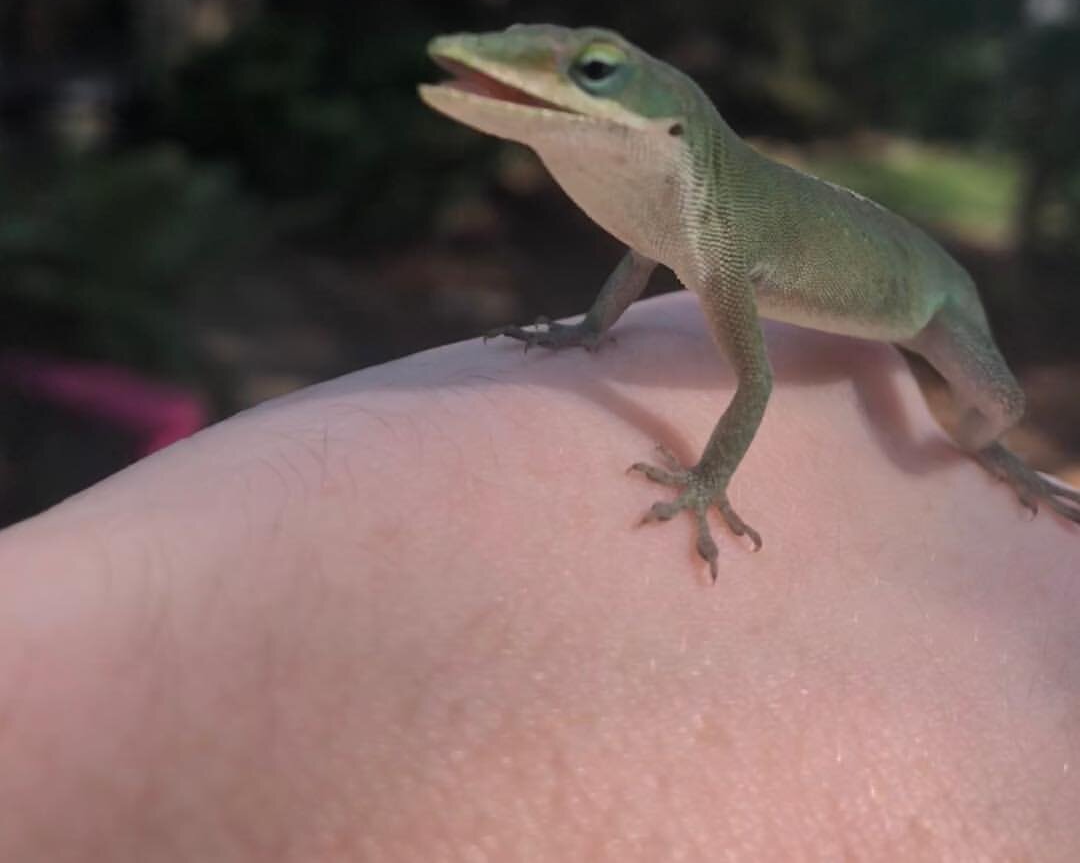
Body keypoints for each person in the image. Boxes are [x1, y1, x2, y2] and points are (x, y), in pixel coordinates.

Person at [1, 293, 1076, 860]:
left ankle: (994, 452)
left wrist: (707, 479)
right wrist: (596, 328)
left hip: (921, 303)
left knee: (997, 410)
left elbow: (754, 371)